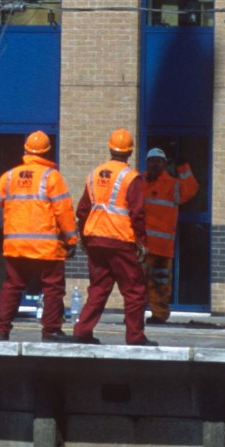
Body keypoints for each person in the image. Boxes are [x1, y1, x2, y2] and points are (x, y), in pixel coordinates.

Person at [0, 129, 79, 341]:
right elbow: (64, 210)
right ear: (47, 152)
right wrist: (71, 239)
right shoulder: (51, 177)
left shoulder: (10, 176)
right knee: (53, 288)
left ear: (26, 150)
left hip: (15, 246)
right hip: (46, 248)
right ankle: (51, 330)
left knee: (12, 286)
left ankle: (2, 329)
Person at [72, 127, 152, 346]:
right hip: (120, 240)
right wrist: (142, 242)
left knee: (98, 288)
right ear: (129, 151)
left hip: (95, 239)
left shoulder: (94, 174)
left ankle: (82, 331)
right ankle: (135, 336)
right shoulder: (131, 177)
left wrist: (83, 238)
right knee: (134, 290)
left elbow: (82, 210)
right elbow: (137, 213)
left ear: (110, 148)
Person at [140, 146, 199, 322]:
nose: (154, 165)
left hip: (162, 249)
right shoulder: (139, 182)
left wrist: (183, 166)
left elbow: (192, 188)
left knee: (160, 284)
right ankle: (134, 315)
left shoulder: (173, 185)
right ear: (147, 163)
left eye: (158, 161)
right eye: (151, 161)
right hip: (142, 247)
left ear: (165, 164)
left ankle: (159, 315)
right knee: (137, 285)